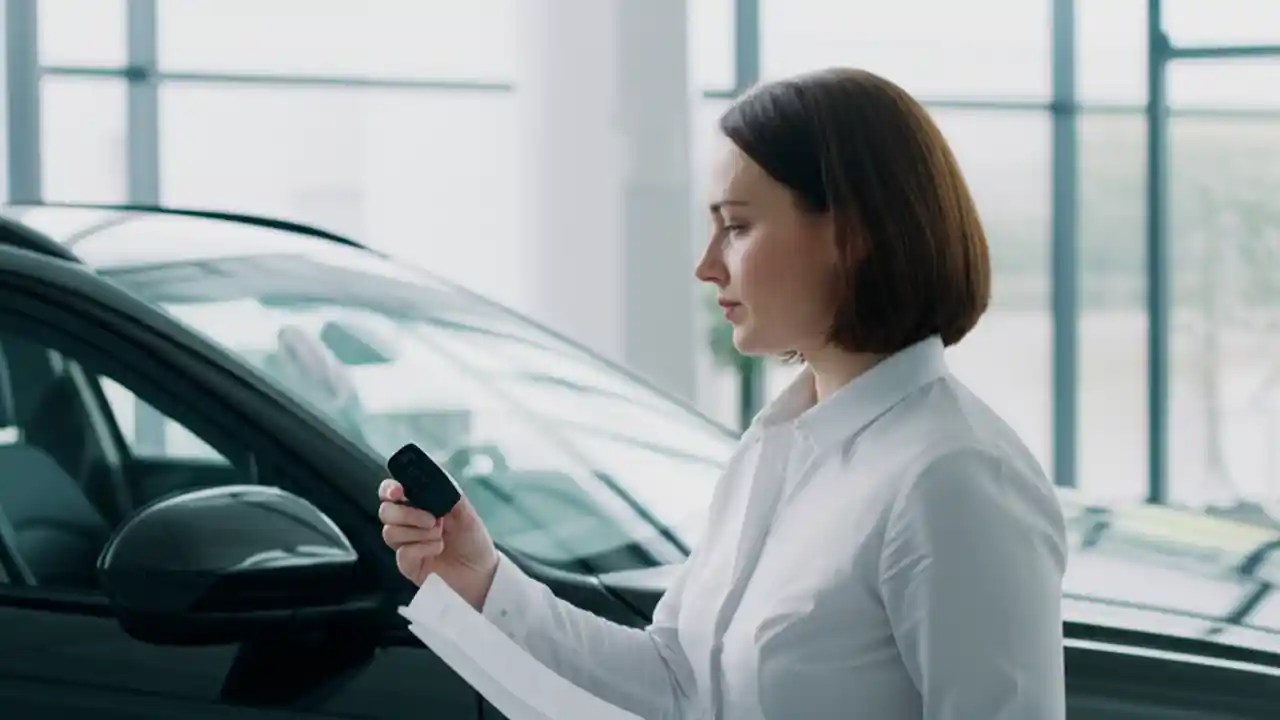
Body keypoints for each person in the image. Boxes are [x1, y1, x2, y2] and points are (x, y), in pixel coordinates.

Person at [378, 67, 1068, 719]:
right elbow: (677, 679)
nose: (707, 265)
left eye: (736, 226)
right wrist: (481, 577)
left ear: (851, 234)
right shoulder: (778, 446)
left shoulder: (955, 479)